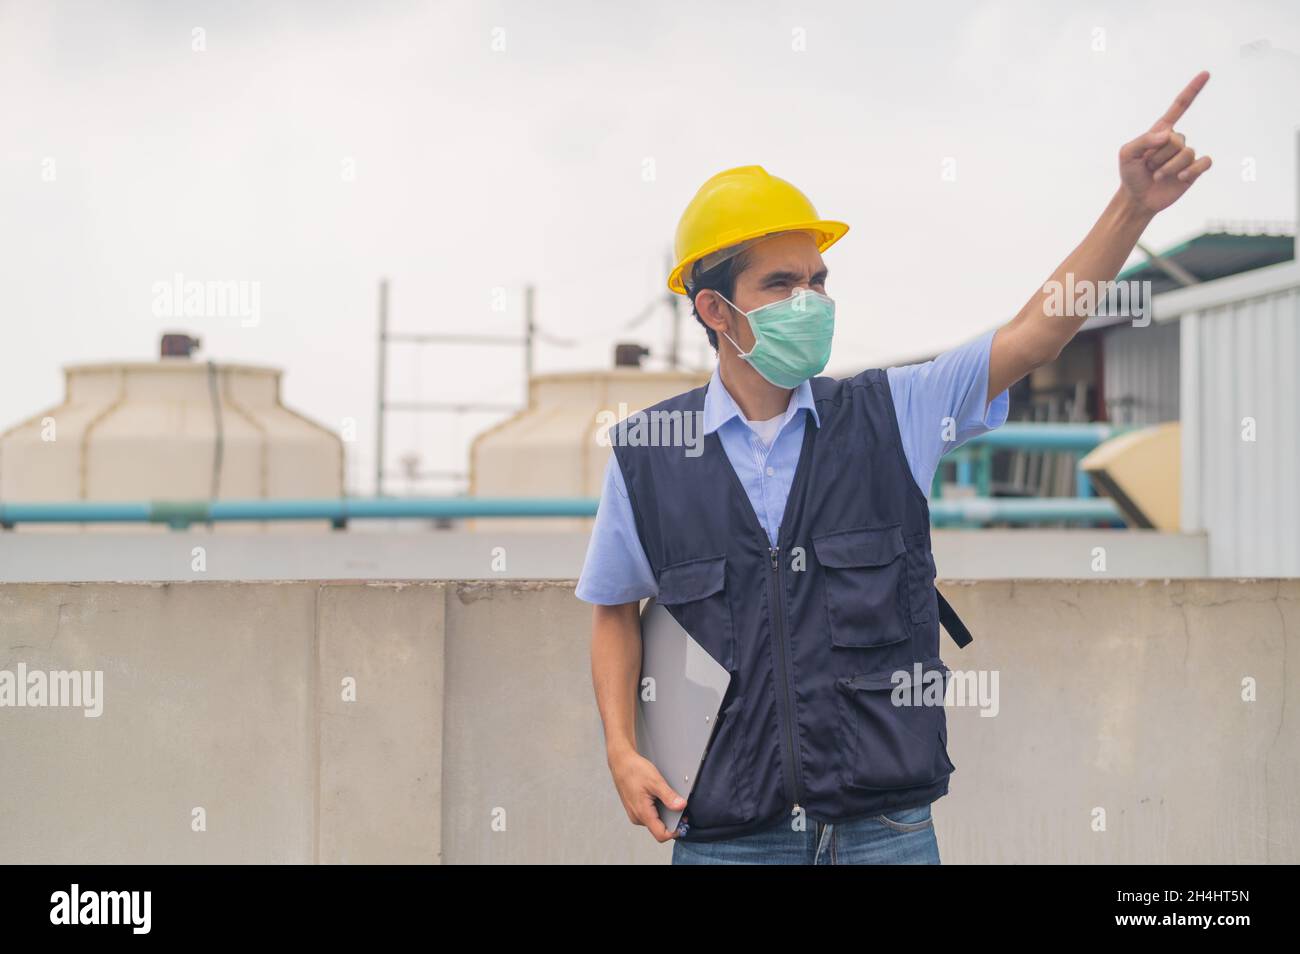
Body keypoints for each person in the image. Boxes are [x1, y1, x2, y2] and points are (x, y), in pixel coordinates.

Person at [578, 73, 1213, 865]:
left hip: (886, 832)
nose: (810, 298)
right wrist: (619, 748)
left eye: (818, 280)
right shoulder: (650, 452)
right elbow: (614, 607)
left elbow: (1033, 338)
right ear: (714, 309)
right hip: (727, 837)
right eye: (781, 283)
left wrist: (1133, 208)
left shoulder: (894, 414)